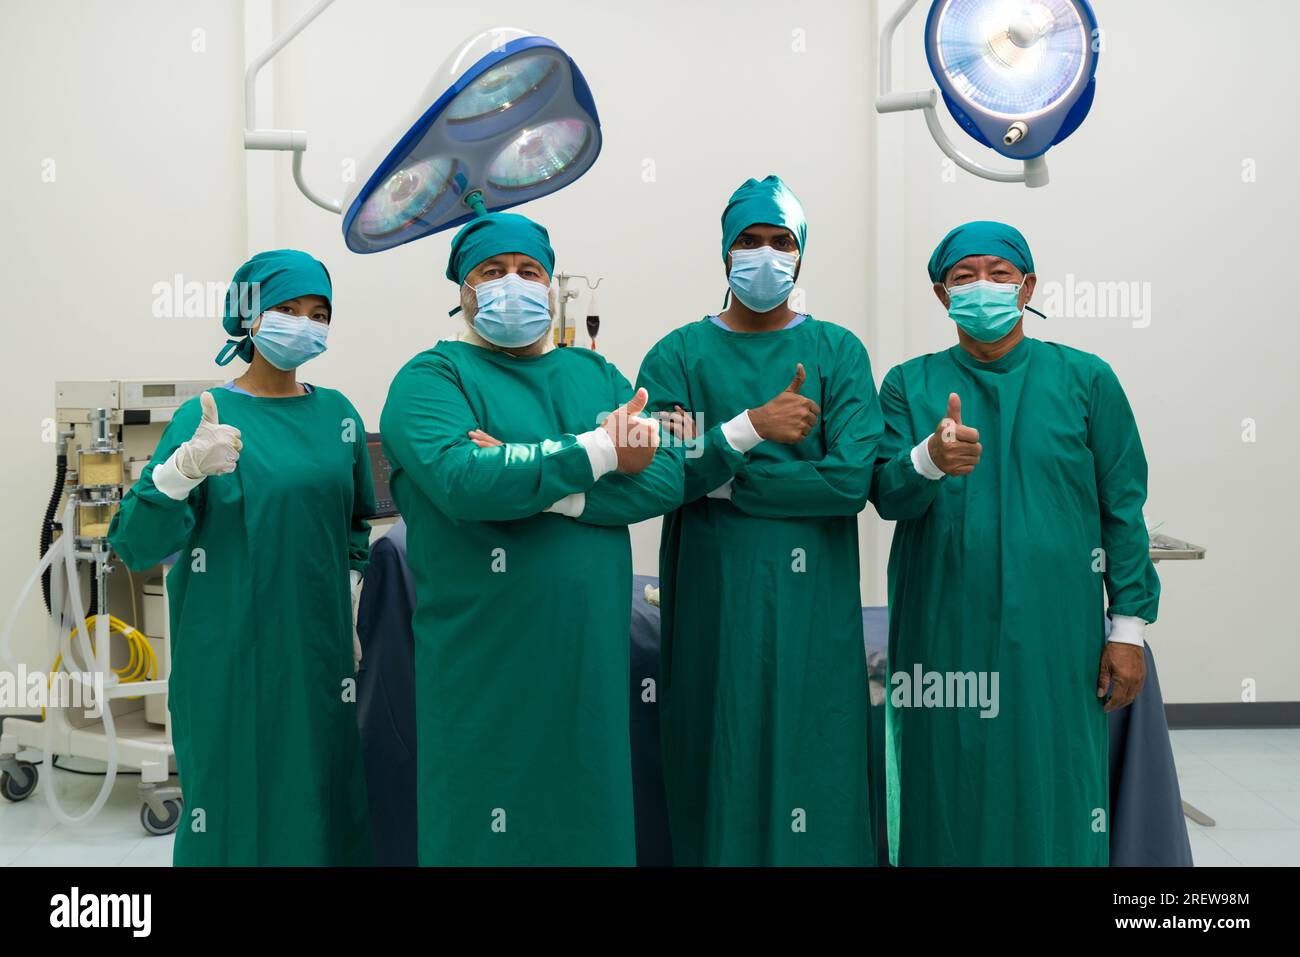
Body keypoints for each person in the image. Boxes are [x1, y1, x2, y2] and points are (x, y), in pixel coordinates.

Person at [380, 211, 682, 866]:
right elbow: (464, 480)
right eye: (492, 272)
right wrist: (601, 450)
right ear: (464, 290)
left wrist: (548, 482)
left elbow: (664, 479)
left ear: (550, 286)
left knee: (587, 826)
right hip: (481, 668)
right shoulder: (431, 379)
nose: (512, 283)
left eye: (528, 271)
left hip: (586, 671)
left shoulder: (595, 376)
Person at [869, 221, 1160, 866]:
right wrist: (927, 459)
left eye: (1000, 275)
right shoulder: (906, 384)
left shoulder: (1087, 380)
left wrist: (1129, 628)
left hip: (1056, 632)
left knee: (1051, 778)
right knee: (945, 775)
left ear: (1028, 286)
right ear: (943, 296)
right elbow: (886, 495)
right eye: (964, 277)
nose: (983, 287)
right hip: (943, 623)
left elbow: (1124, 507)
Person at [636, 175, 884, 865]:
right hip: (714, 602)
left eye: (781, 242)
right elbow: (664, 477)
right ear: (724, 256)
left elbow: (849, 482)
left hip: (814, 605)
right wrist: (752, 429)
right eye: (749, 240)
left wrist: (726, 474)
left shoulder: (838, 353)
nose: (765, 255)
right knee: (719, 751)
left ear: (800, 258)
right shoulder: (679, 355)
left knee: (816, 749)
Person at [109, 249, 375, 865]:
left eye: (318, 312)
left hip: (318, 655)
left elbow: (356, 524)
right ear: (247, 315)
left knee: (321, 793)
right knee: (231, 802)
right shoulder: (205, 420)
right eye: (286, 309)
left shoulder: (339, 416)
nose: (304, 323)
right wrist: (179, 472)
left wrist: (354, 587)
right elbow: (136, 545)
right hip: (228, 658)